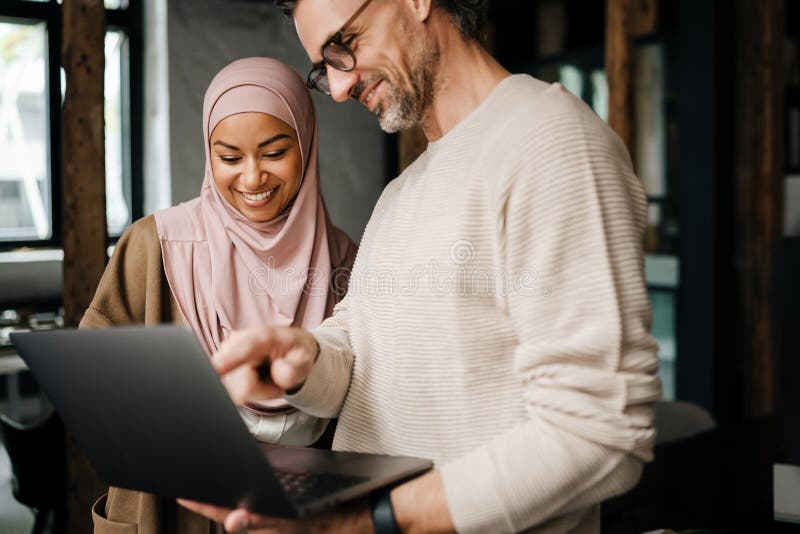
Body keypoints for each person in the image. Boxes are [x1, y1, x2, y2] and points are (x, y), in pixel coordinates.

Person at [181, 1, 662, 532]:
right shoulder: (402, 192)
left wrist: (369, 521)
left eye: (345, 44)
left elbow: (599, 432)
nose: (338, 88)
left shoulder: (551, 143)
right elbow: (362, 352)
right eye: (324, 68)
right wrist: (307, 359)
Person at [81, 57, 357, 533]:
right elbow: (91, 379)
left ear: (307, 144)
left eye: (274, 153)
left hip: (292, 515)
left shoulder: (345, 262)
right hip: (171, 508)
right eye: (230, 158)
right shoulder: (157, 245)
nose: (252, 178)